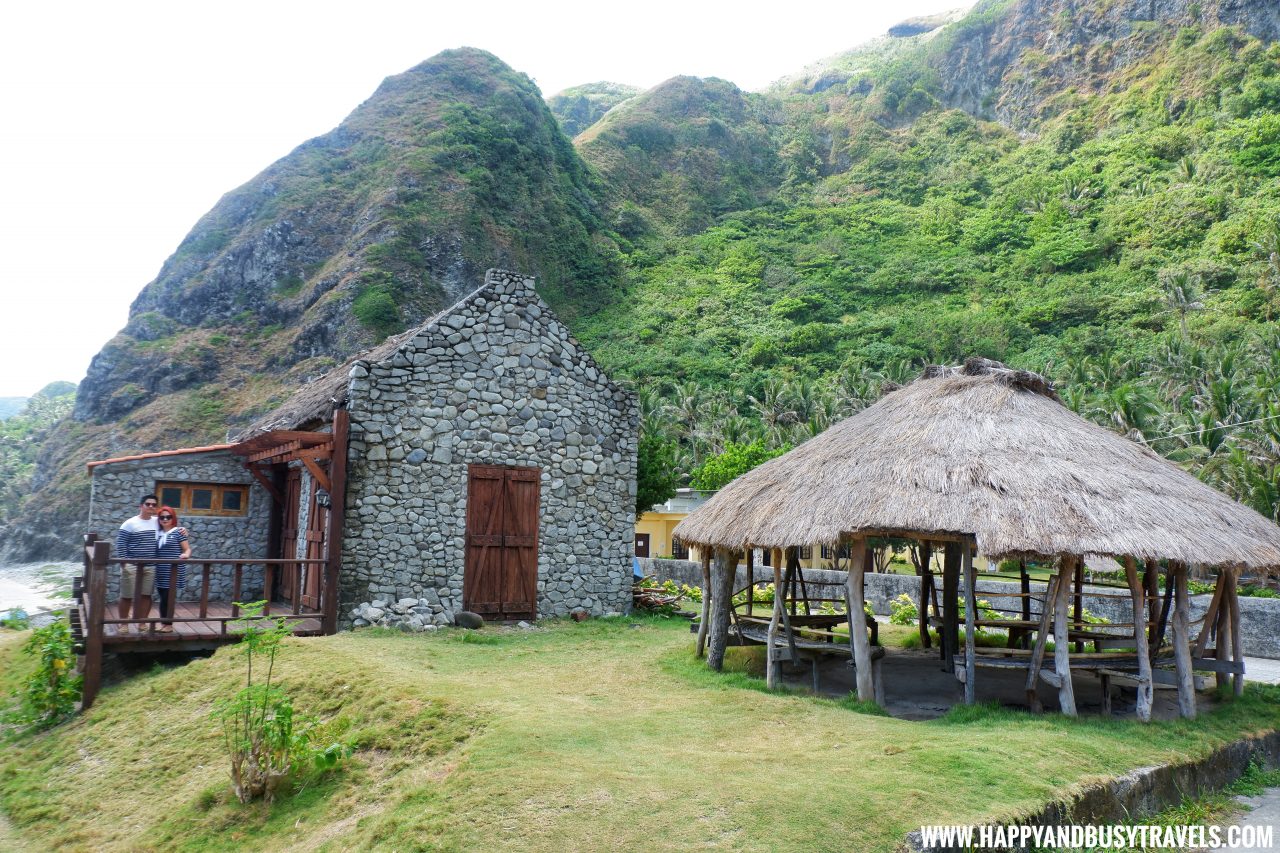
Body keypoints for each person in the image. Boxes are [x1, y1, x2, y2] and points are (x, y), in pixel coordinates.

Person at [116, 495, 160, 634]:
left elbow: (172, 530)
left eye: (154, 504)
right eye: (148, 504)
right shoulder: (129, 523)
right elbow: (121, 543)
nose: (151, 507)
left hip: (151, 565)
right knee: (127, 595)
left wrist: (183, 530)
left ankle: (142, 622)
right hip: (132, 564)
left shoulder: (158, 522)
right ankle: (123, 623)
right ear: (141, 506)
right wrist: (124, 563)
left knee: (146, 595)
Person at [153, 506, 190, 633]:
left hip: (173, 570)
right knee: (162, 597)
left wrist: (186, 555)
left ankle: (168, 625)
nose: (165, 519)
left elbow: (187, 549)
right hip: (160, 571)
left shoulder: (178, 532)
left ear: (173, 518)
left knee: (168, 598)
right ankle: (164, 623)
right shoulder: (157, 532)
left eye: (168, 517)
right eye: (162, 517)